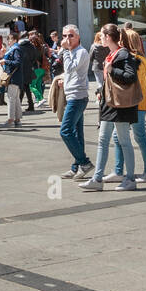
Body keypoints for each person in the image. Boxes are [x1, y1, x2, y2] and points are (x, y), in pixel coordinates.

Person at [80, 24, 137, 191]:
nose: (101, 38)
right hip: (108, 103)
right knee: (103, 140)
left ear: (109, 37)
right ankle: (97, 179)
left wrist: (112, 70)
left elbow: (130, 76)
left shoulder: (123, 54)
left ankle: (130, 178)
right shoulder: (111, 54)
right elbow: (109, 82)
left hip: (120, 105)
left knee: (124, 141)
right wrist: (100, 90)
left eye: (103, 35)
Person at [111, 27, 146, 182]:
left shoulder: (137, 60)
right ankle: (118, 170)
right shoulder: (137, 58)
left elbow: (130, 77)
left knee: (139, 136)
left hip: (138, 104)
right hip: (133, 103)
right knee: (118, 136)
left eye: (122, 39)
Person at [54, 25, 92, 179]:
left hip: (78, 97)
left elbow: (70, 67)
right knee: (77, 134)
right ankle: (77, 166)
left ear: (78, 37)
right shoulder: (73, 51)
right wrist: (65, 81)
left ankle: (84, 162)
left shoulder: (81, 52)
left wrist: (64, 50)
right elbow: (70, 73)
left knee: (65, 131)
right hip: (72, 94)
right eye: (64, 36)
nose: (67, 39)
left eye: (70, 36)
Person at [1, 32, 37, 128]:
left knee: (11, 99)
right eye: (8, 39)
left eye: (10, 39)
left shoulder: (16, 49)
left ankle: (10, 120)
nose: (8, 41)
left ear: (15, 40)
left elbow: (17, 63)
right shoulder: (14, 49)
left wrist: (5, 61)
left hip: (14, 77)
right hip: (16, 77)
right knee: (16, 99)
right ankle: (17, 120)